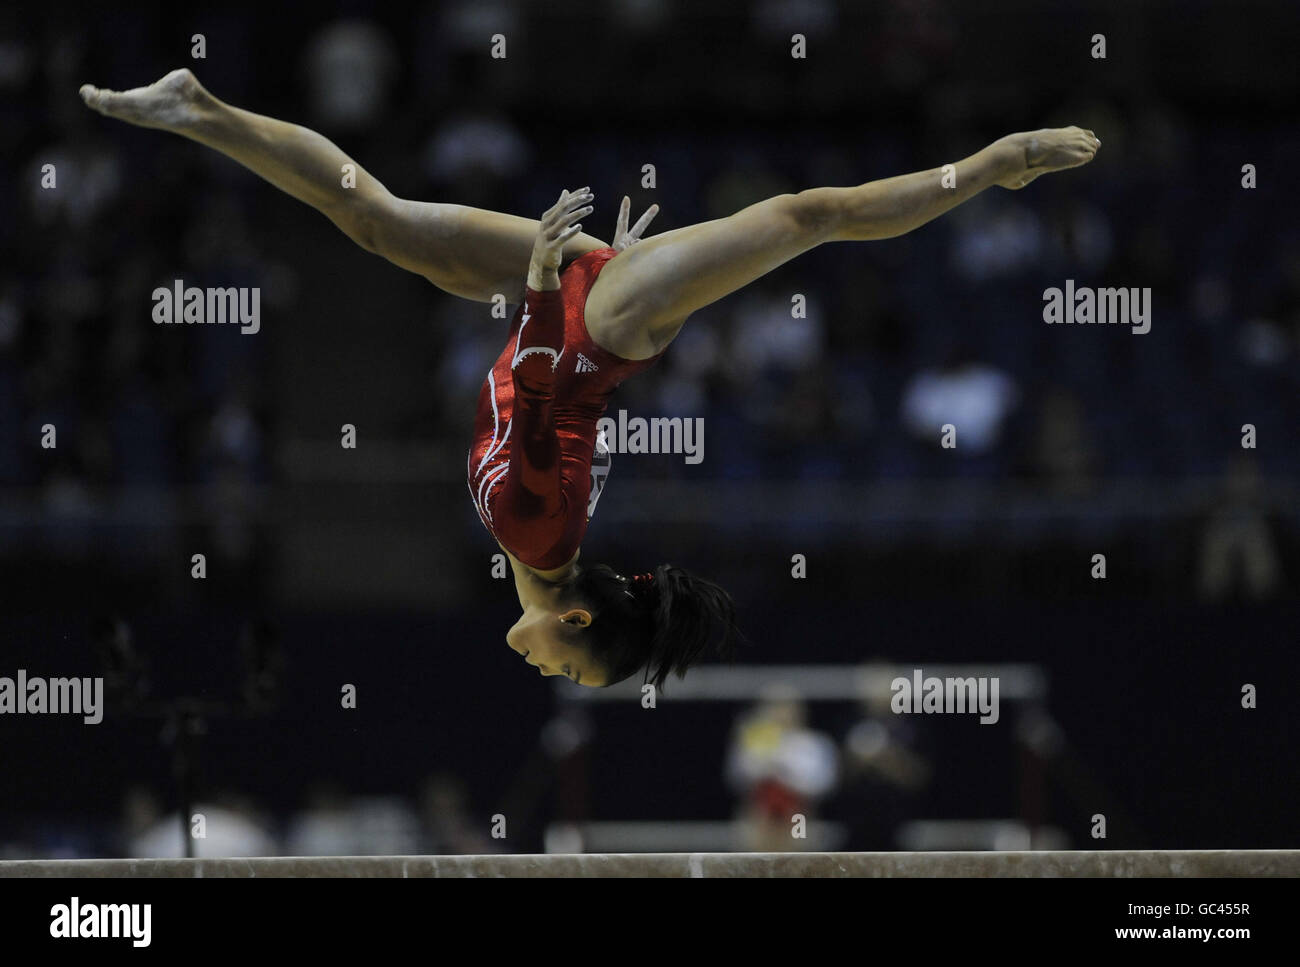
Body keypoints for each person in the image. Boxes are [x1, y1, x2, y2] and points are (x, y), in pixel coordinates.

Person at [80, 69, 1099, 689]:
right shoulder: (536, 537)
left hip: (588, 310)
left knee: (378, 222)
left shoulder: (549, 541)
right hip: (597, 319)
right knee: (808, 215)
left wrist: (580, 291)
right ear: (572, 620)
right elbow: (531, 398)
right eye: (564, 664)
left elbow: (552, 414)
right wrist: (557, 292)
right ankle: (994, 161)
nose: (540, 666)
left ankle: (198, 107)